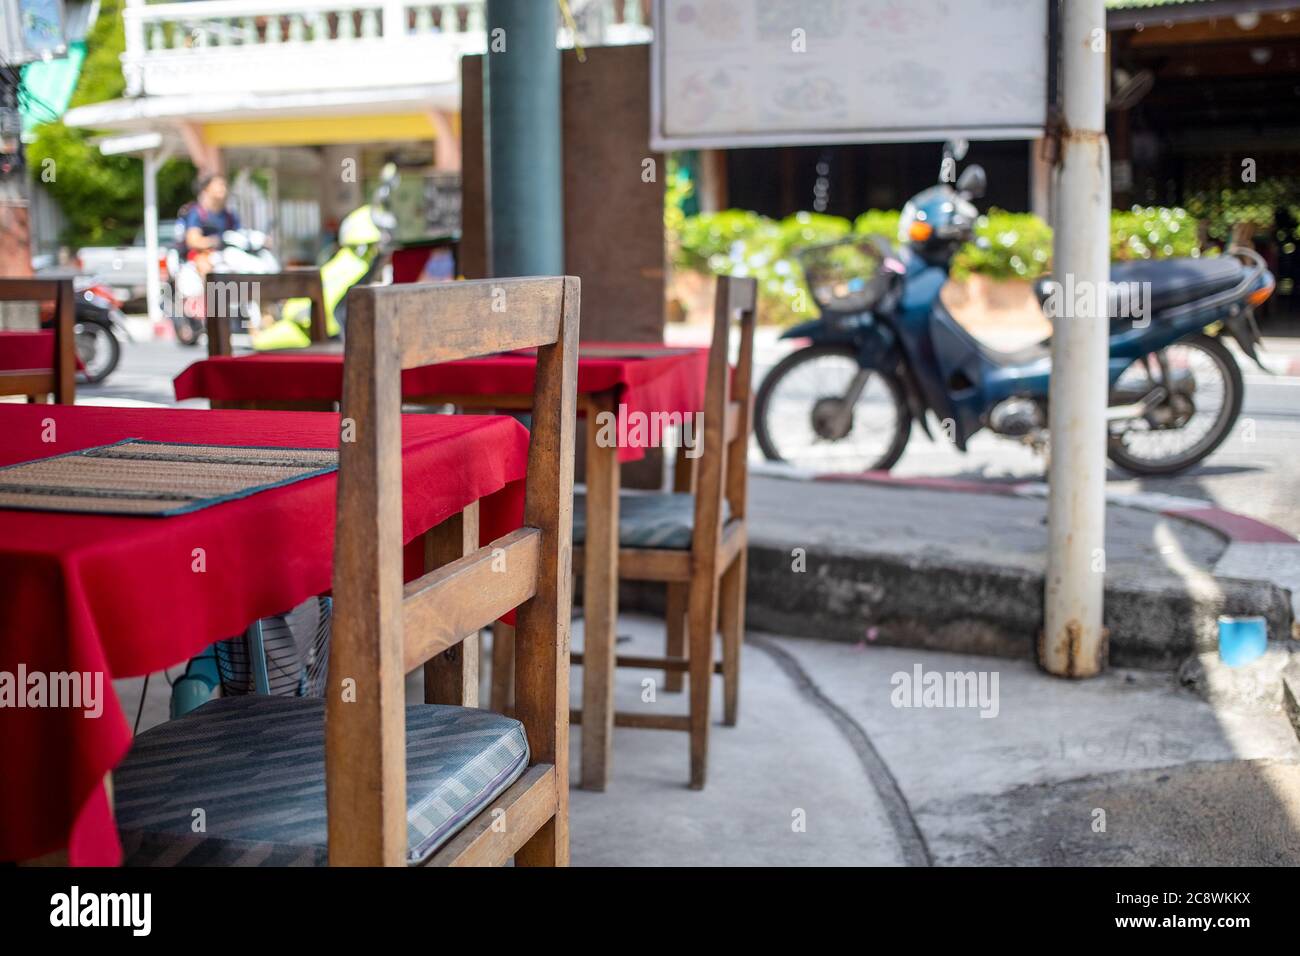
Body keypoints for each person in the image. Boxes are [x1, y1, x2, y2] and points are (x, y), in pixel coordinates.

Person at [183, 174, 240, 256]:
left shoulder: (229, 215)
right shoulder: (197, 213)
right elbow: (193, 241)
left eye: (224, 185)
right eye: (219, 185)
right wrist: (216, 241)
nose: (223, 189)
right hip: (206, 258)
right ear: (206, 189)